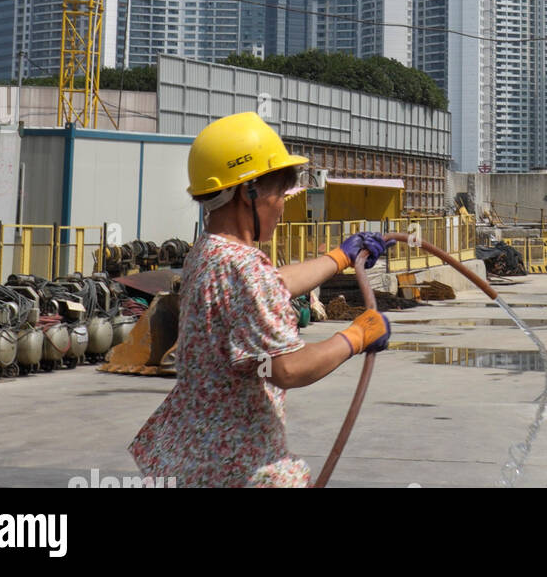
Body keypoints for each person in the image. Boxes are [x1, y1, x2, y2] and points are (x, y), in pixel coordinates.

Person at [129, 111, 393, 487]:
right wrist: (355, 337)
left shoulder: (209, 252)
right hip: (239, 470)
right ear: (247, 190)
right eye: (279, 193)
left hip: (194, 460)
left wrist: (339, 258)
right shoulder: (244, 267)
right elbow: (286, 368)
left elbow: (270, 285)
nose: (283, 204)